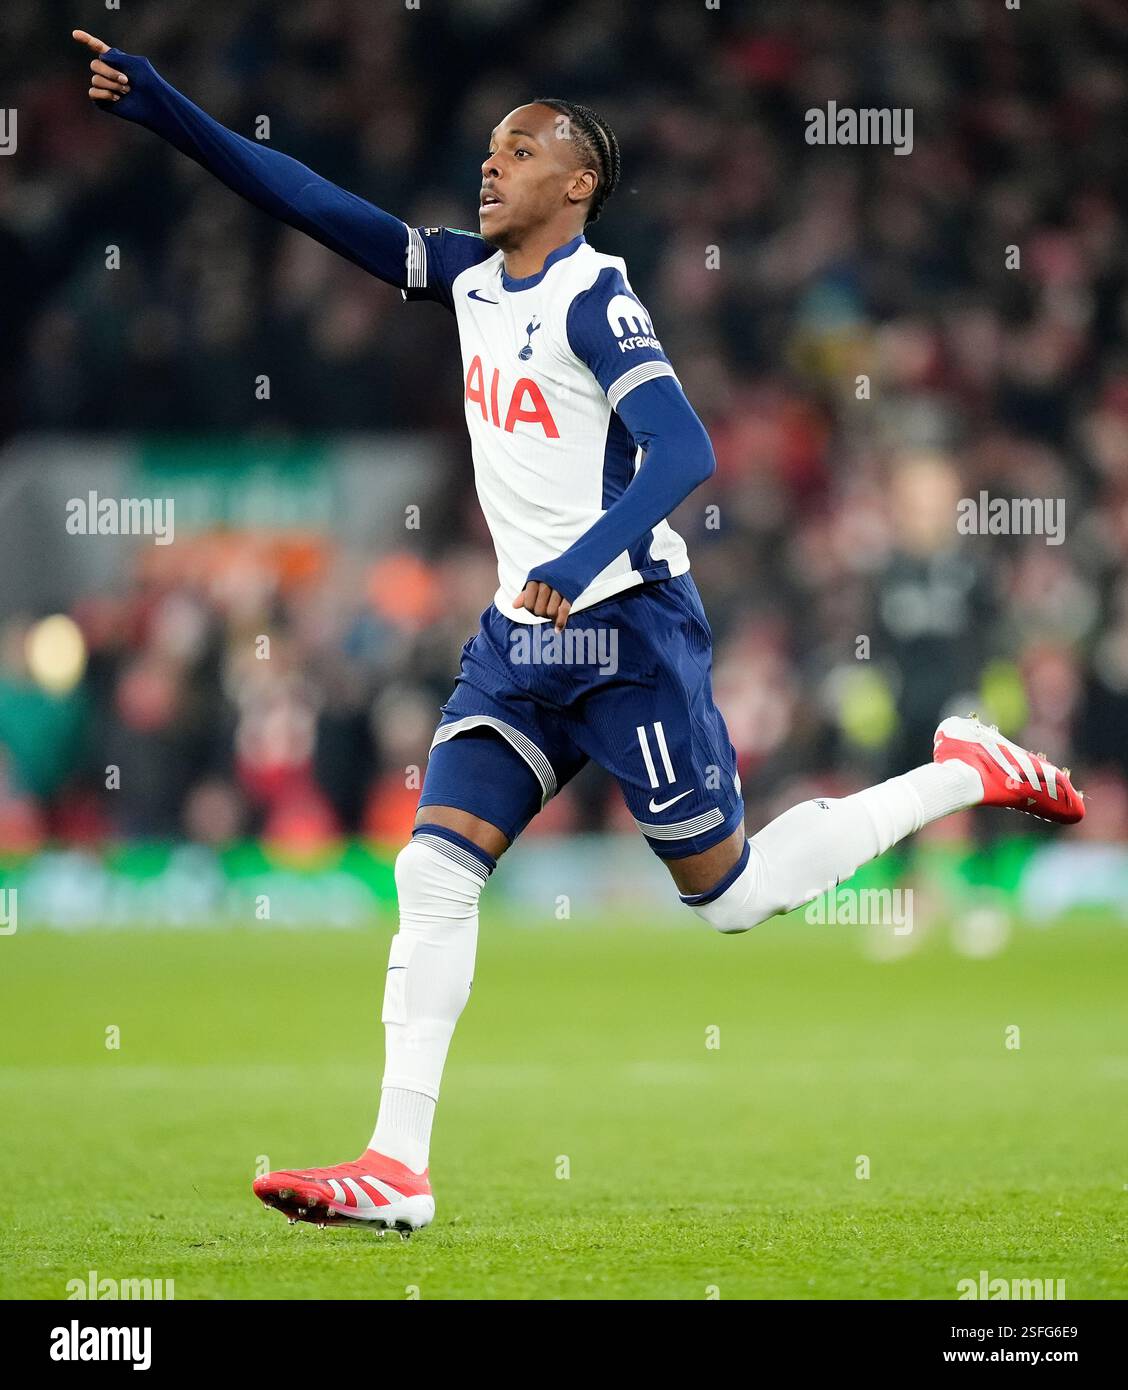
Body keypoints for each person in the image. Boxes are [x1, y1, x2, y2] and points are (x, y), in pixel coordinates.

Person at [73, 30, 1085, 1235]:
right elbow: (308, 202)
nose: (491, 165)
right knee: (433, 868)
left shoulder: (594, 296)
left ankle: (962, 769)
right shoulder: (463, 277)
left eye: (521, 147)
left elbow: (688, 452)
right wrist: (169, 109)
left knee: (730, 898)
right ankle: (399, 1166)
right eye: (491, 147)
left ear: (579, 182)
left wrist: (577, 559)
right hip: (521, 639)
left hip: (628, 636)